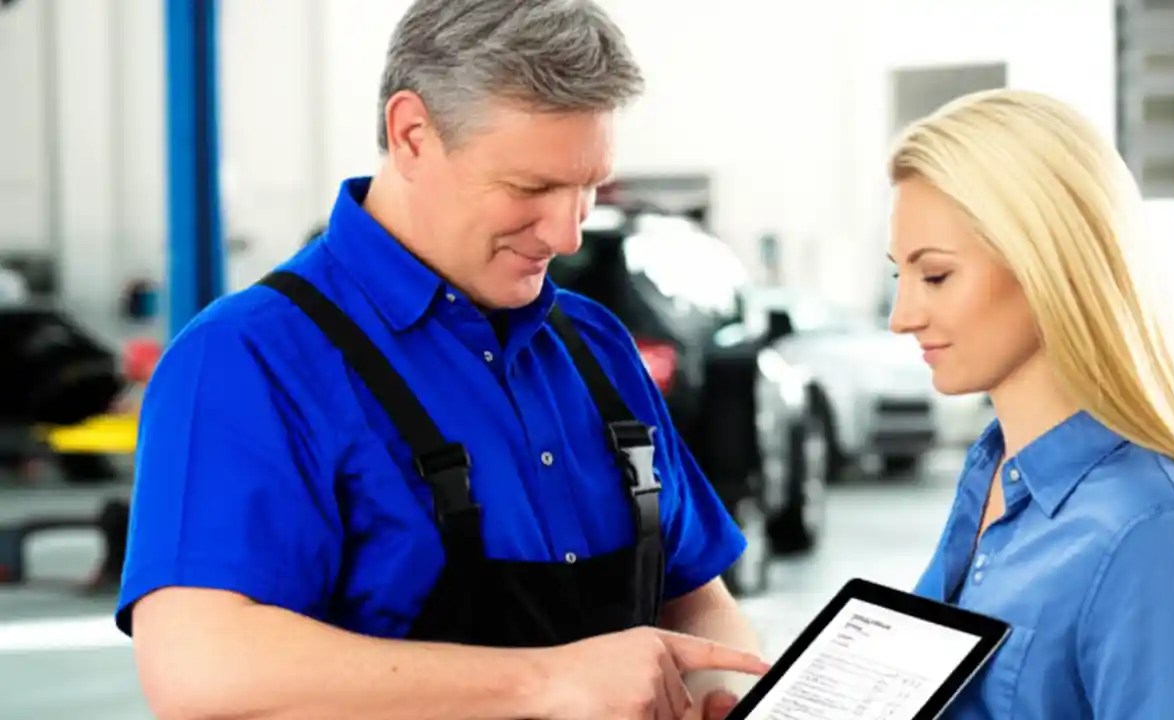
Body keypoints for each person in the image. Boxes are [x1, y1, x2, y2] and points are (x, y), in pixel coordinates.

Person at [118, 2, 768, 719]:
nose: (568, 232)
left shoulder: (597, 349)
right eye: (531, 188)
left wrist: (727, 694)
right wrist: (548, 683)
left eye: (588, 187)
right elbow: (200, 665)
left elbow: (696, 601)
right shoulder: (249, 361)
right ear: (412, 135)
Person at [886, 88, 1174, 718]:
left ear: (1046, 262)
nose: (902, 317)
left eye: (937, 276)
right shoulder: (992, 476)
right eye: (901, 275)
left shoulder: (1155, 530)